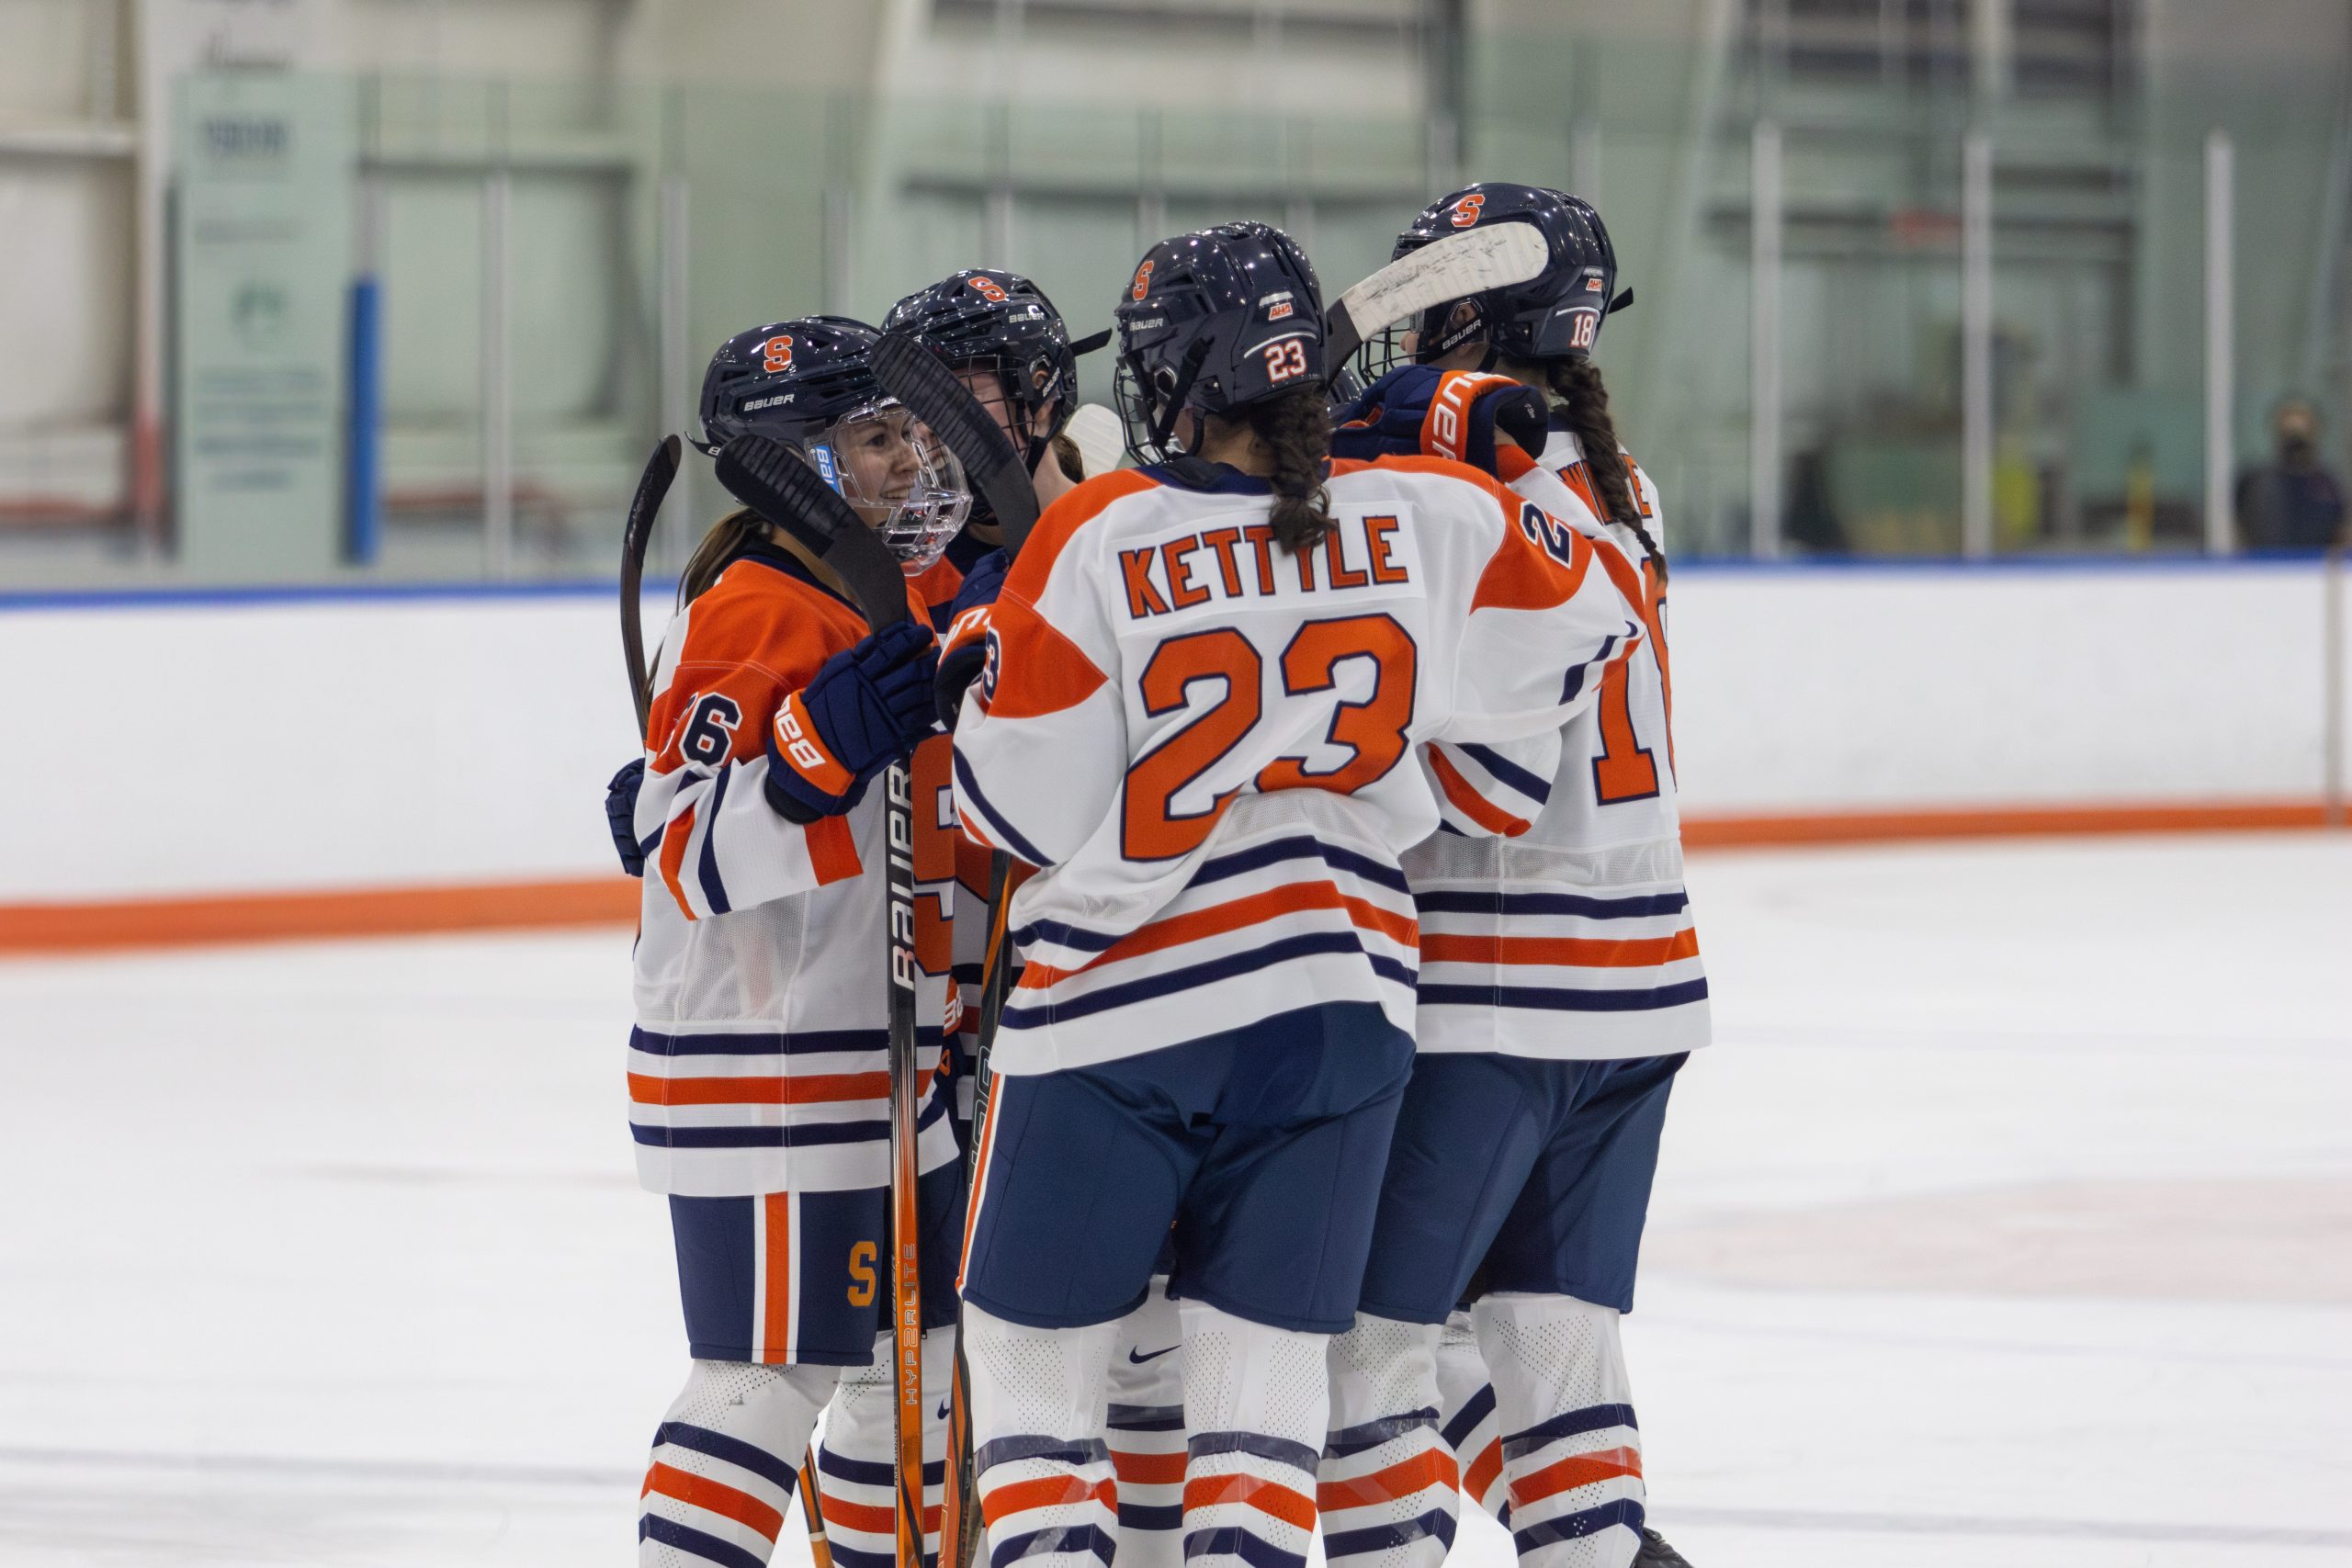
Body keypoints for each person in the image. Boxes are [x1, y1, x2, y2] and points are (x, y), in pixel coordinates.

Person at [938, 220, 1645, 1568]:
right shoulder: (1428, 515)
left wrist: (982, 653)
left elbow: (1019, 810)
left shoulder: (1097, 528)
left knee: (1036, 1410)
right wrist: (1455, 454)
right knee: (1261, 1430)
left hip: (1115, 1016)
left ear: (1177, 376)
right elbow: (1598, 604)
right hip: (1341, 1012)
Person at [1318, 183, 1706, 1568]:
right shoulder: (1622, 482)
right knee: (1555, 1347)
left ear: (1473, 316)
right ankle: (1600, 1542)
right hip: (1643, 988)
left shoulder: (1452, 498)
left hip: (1494, 986)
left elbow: (1487, 771)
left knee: (1357, 1355)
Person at [626, 316, 971, 1568]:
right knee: (770, 1370)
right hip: (766, 1066)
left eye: (915, 435)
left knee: (915, 1366)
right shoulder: (754, 612)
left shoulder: (891, 590)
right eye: (879, 437)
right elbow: (676, 852)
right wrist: (808, 762)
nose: (911, 464)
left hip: (888, 1065)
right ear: (792, 465)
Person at [2236, 399, 2346, 550]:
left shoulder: (2328, 485)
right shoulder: (2256, 483)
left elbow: (2340, 532)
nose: (2296, 442)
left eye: (2302, 433)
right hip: (2265, 566)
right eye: (2290, 433)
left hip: (2315, 567)